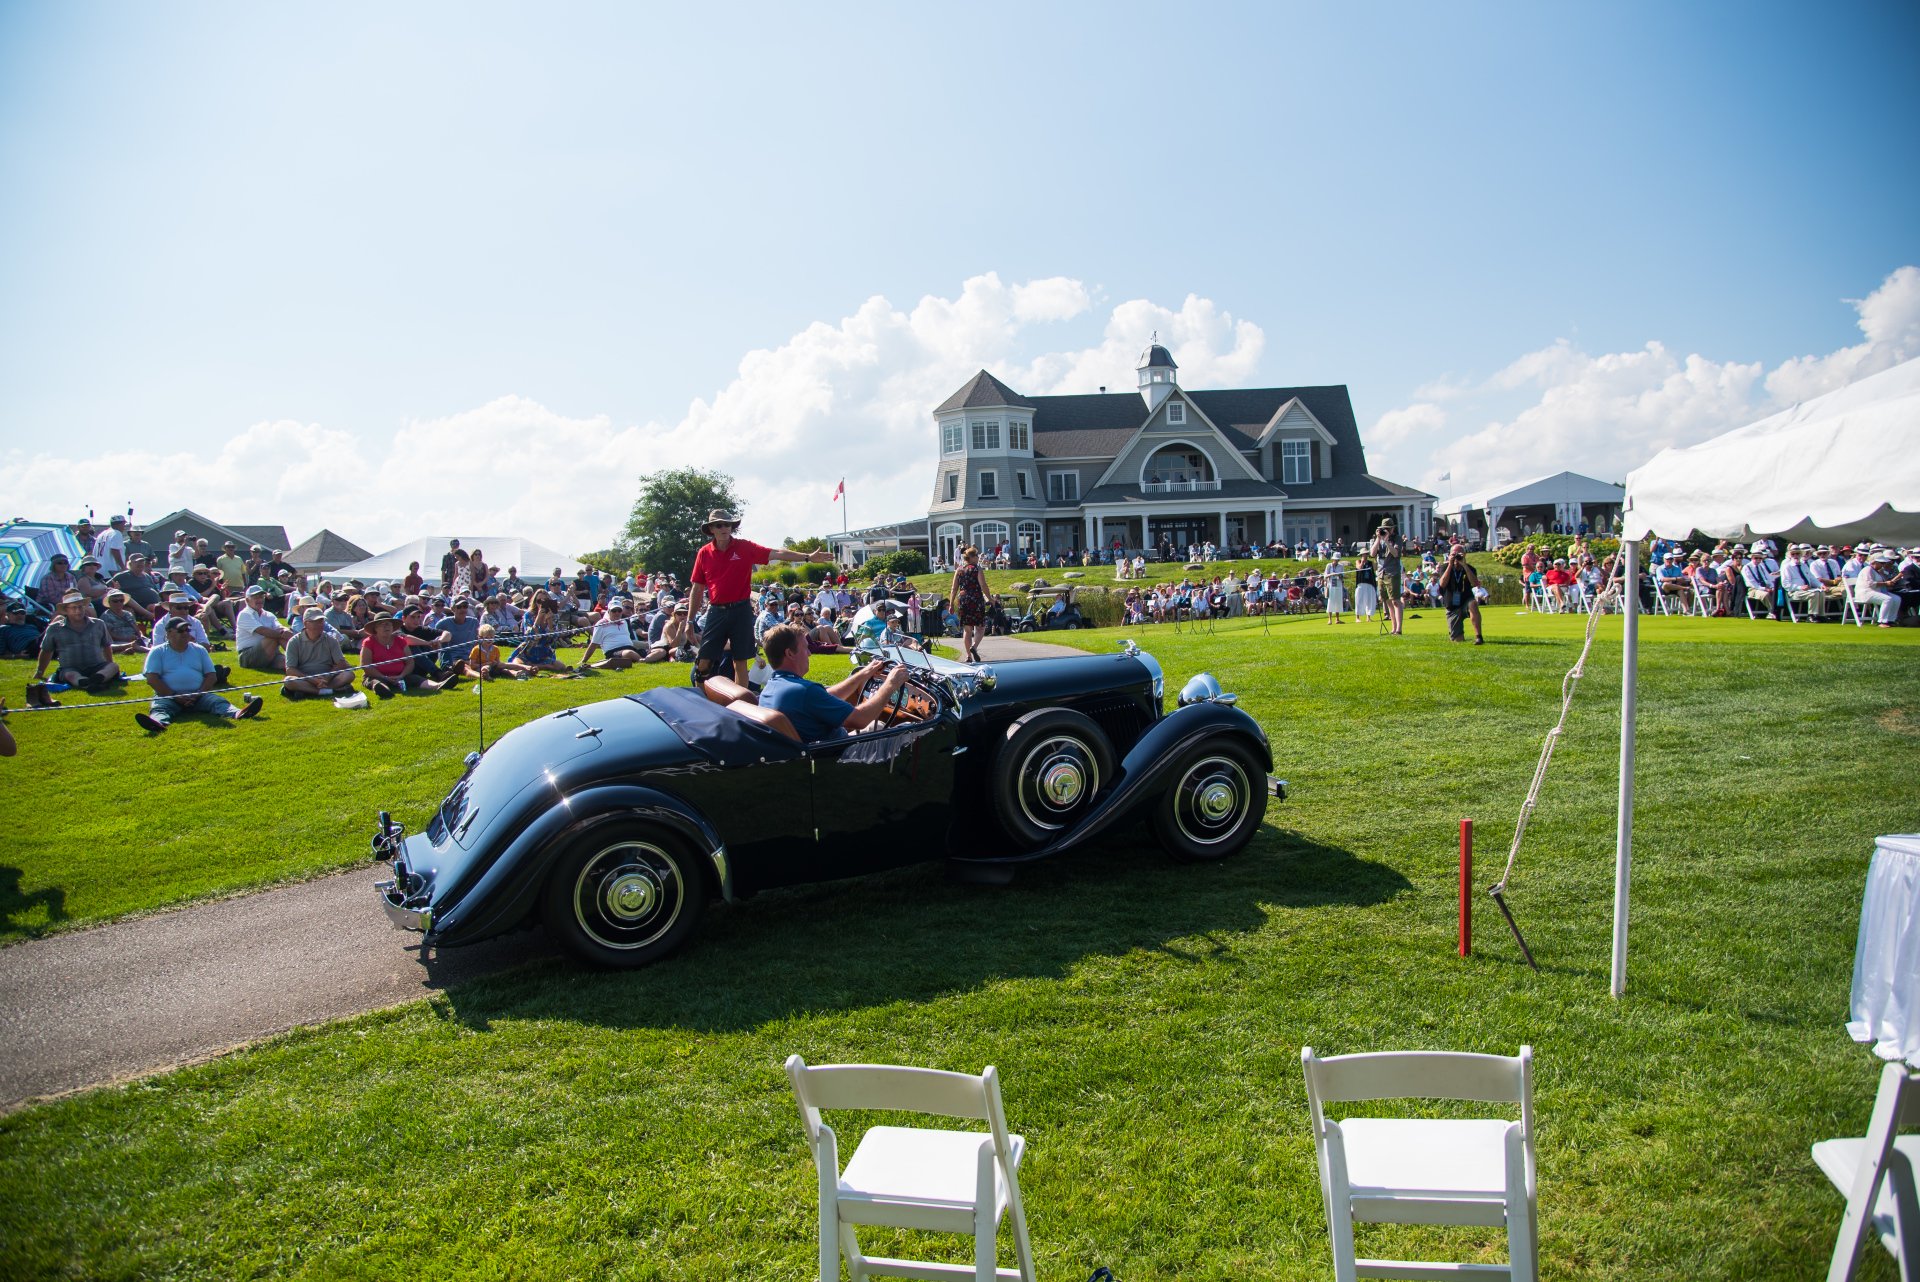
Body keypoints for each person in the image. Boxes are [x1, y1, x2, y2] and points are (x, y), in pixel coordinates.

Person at [686, 509, 829, 684]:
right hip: (716, 610)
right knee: (704, 662)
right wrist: (689, 621)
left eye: (728, 524)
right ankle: (699, 697)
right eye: (719, 525)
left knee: (740, 661)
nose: (724, 528)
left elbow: (777, 553)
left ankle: (741, 699)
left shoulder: (744, 547)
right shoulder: (704, 553)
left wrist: (807, 557)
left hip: (741, 610)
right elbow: (697, 589)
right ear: (711, 529)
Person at [758, 623, 909, 742]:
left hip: (817, 752)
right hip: (840, 754)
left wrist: (865, 672)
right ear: (790, 653)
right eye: (806, 648)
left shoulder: (772, 687)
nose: (809, 654)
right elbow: (860, 719)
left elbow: (825, 696)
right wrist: (890, 684)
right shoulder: (804, 692)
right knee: (902, 729)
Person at [136, 616, 263, 731]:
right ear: (169, 633)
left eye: (187, 630)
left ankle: (238, 713)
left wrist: (198, 693)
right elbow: (152, 679)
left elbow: (211, 675)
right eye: (181, 631)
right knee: (160, 708)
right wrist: (175, 696)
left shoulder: (199, 650)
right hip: (168, 696)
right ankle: (157, 723)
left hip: (199, 695)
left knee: (218, 702)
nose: (186, 633)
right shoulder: (157, 652)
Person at [28, 592, 123, 704]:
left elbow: (106, 646)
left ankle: (94, 680)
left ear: (85, 607)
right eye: (74, 608)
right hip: (70, 668)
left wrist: (109, 664)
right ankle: (89, 683)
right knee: (70, 675)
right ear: (66, 610)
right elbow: (46, 651)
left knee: (113, 666)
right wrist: (39, 672)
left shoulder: (99, 624)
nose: (78, 610)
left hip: (97, 666)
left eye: (80, 607)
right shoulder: (54, 628)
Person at [360, 613, 457, 697]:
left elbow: (410, 662)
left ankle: (438, 685)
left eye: (389, 624)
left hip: (401, 675)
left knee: (415, 678)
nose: (387, 627)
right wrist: (384, 677)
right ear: (375, 628)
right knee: (375, 682)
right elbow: (366, 665)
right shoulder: (368, 642)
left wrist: (401, 675)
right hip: (377, 676)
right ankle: (383, 689)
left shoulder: (400, 640)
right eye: (382, 624)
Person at [283, 608, 355, 699]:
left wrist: (327, 677)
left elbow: (341, 663)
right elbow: (290, 669)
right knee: (289, 681)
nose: (320, 624)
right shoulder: (294, 641)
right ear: (305, 623)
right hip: (305, 679)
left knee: (349, 674)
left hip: (328, 678)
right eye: (316, 621)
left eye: (321, 621)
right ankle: (330, 690)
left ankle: (309, 691)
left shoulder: (331, 640)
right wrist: (311, 679)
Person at [234, 584, 292, 672]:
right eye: (256, 598)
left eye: (261, 597)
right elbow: (262, 631)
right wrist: (284, 634)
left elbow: (280, 627)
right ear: (247, 600)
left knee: (290, 664)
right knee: (275, 636)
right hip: (248, 655)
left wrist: (286, 631)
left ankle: (304, 661)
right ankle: (303, 657)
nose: (260, 600)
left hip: (270, 651)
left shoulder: (269, 615)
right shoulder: (244, 614)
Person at [1434, 545, 1484, 644]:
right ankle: (1457, 634)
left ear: (1464, 555)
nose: (1457, 557)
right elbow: (1442, 584)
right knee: (1458, 640)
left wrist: (1464, 565)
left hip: (1466, 601)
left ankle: (1479, 637)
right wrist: (1450, 564)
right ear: (1449, 555)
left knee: (1473, 604)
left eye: (1459, 554)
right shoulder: (1444, 567)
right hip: (1452, 607)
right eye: (1454, 554)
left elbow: (1475, 583)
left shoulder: (1470, 568)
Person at [950, 544, 988, 663]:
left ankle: (968, 656)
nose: (978, 557)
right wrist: (990, 599)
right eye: (976, 555)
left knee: (967, 630)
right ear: (971, 557)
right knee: (980, 627)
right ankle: (974, 647)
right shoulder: (977, 569)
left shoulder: (959, 570)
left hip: (963, 600)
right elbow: (983, 585)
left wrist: (951, 604)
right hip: (976, 599)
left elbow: (954, 589)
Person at [1369, 518, 1405, 635]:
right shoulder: (1377, 539)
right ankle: (1393, 628)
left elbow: (1395, 553)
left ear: (1393, 529)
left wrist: (1387, 541)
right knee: (1388, 601)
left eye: (1388, 529)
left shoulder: (1397, 539)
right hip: (1381, 573)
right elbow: (1372, 554)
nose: (1386, 531)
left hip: (1392, 572)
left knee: (1395, 601)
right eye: (1384, 529)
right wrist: (1378, 539)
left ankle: (1399, 629)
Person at [1353, 555, 1379, 623]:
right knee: (1359, 601)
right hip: (1361, 583)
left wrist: (1375, 559)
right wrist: (1362, 561)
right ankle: (1357, 618)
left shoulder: (1370, 563)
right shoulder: (1358, 561)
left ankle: (1368, 617)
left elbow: (1375, 568)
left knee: (1369, 601)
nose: (1365, 556)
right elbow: (1359, 568)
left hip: (1369, 583)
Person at [1324, 554, 1346, 624]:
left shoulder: (1341, 566)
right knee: (1331, 601)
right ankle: (1330, 619)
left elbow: (1343, 576)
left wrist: (1339, 575)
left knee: (1338, 601)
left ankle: (1337, 619)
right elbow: (1325, 575)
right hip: (1331, 585)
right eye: (1335, 560)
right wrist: (1331, 574)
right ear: (1333, 559)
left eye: (1337, 560)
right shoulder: (1329, 565)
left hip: (1338, 585)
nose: (1336, 561)